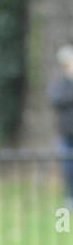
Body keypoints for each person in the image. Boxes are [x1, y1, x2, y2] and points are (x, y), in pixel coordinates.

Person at [48, 44, 73, 204]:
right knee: (68, 169)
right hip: (67, 135)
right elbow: (56, 99)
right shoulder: (61, 84)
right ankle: (70, 198)